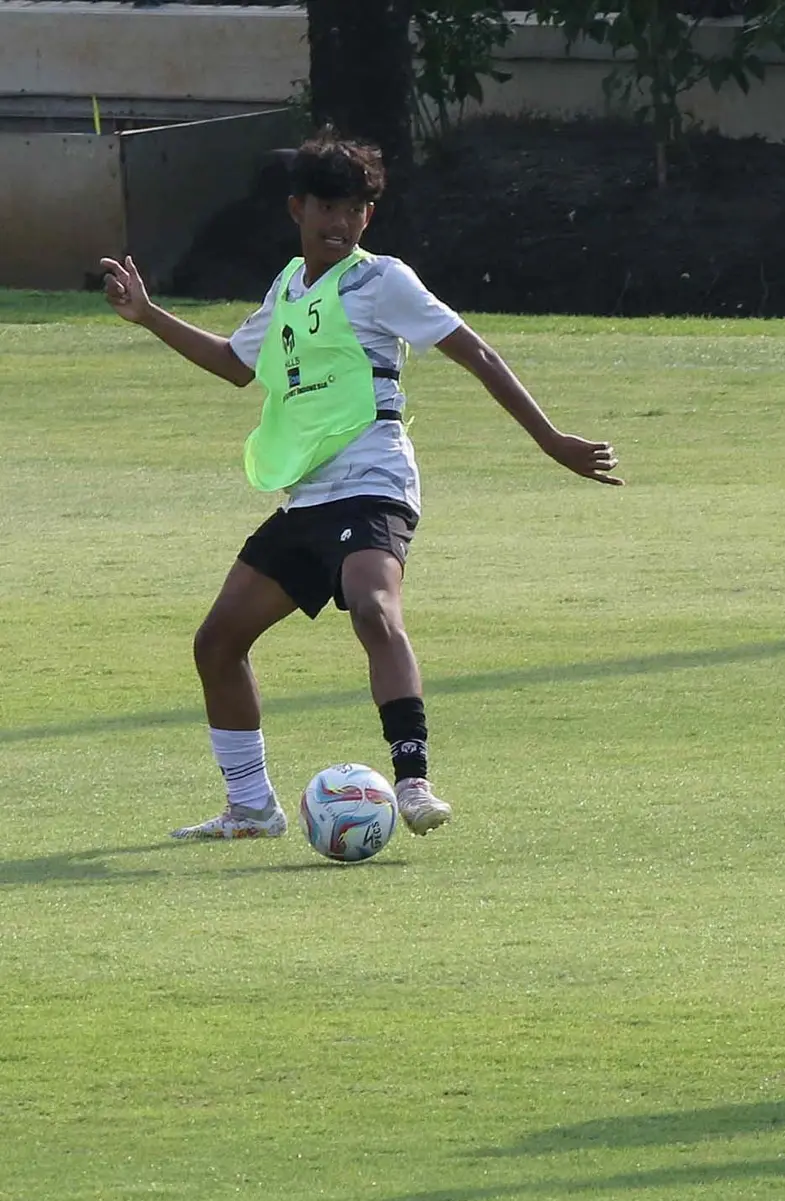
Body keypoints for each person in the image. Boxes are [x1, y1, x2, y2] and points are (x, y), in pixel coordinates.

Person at [100, 128, 619, 843]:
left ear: (367, 217)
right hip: (307, 496)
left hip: (373, 483)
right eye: (326, 207)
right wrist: (149, 315)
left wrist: (551, 439)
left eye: (354, 210)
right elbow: (234, 364)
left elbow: (476, 351)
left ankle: (411, 781)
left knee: (374, 607)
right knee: (217, 642)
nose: (340, 222)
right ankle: (252, 808)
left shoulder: (384, 282)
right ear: (297, 209)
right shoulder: (288, 286)